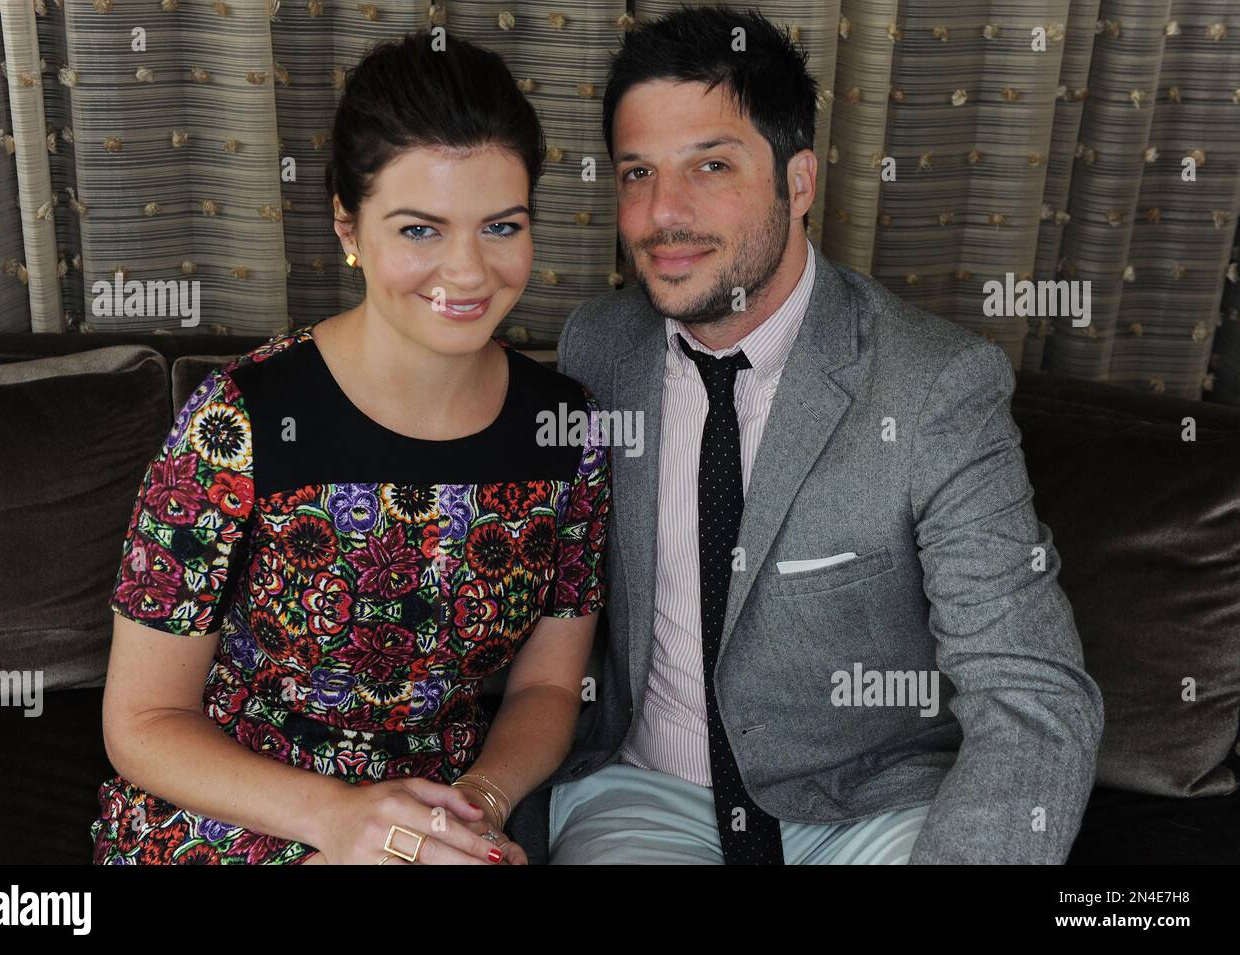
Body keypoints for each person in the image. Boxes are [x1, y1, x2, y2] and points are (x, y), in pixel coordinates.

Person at [506, 6, 1104, 864]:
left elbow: (1032, 692)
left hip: (866, 803)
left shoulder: (936, 384)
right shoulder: (598, 350)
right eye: (638, 172)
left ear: (799, 182)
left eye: (711, 164)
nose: (662, 214)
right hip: (647, 791)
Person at [90, 31, 610, 865]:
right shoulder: (238, 421)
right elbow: (143, 721)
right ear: (348, 225)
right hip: (240, 805)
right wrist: (340, 820)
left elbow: (549, 686)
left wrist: (476, 805)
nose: (469, 270)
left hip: (439, 815)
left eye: (501, 225)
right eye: (420, 229)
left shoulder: (569, 432)